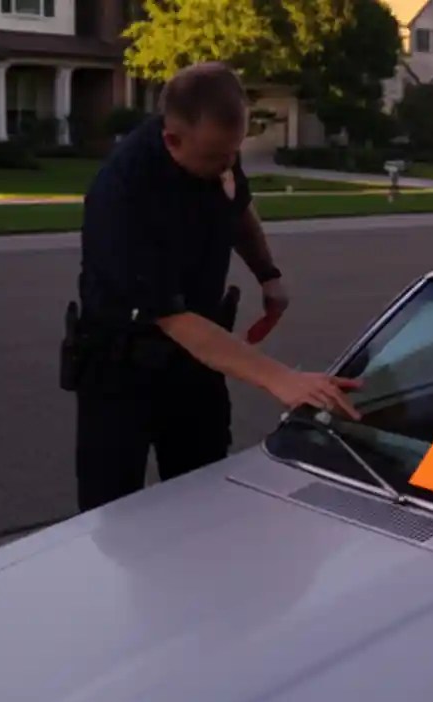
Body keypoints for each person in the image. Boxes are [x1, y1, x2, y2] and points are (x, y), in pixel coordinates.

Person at [68, 61, 361, 514]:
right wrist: (281, 379)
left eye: (233, 153)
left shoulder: (214, 150)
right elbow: (174, 319)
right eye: (216, 157)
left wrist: (268, 274)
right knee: (109, 515)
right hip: (121, 372)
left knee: (203, 500)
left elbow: (236, 205)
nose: (227, 164)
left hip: (194, 371)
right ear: (172, 140)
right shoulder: (123, 195)